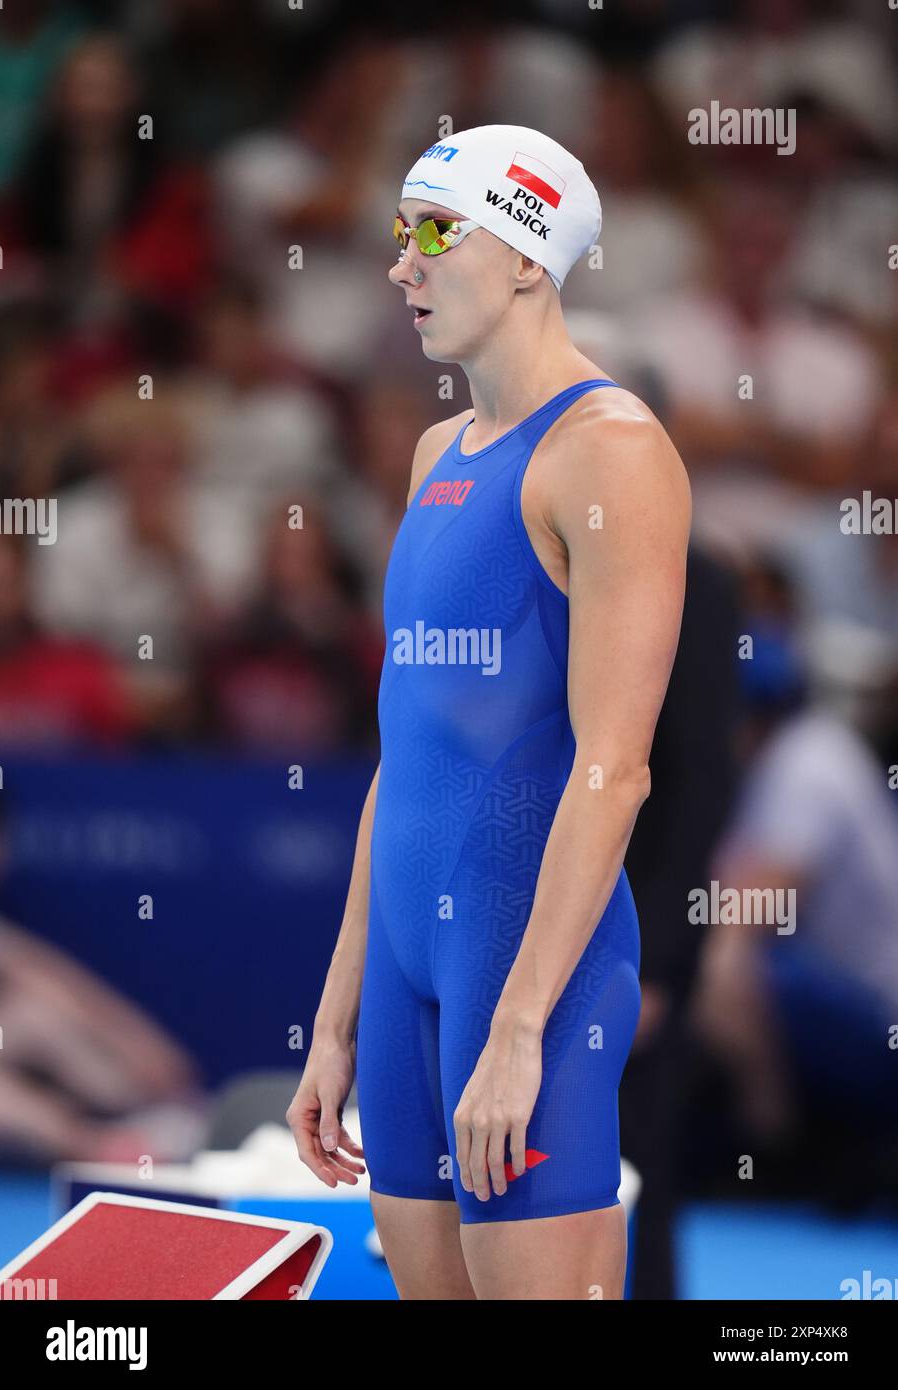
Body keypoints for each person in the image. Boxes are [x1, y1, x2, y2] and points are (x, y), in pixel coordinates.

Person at [287, 125, 691, 1300]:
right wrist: (336, 1013)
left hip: (531, 976)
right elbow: (402, 759)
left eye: (431, 231)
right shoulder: (435, 454)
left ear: (526, 256)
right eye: (395, 234)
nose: (400, 265)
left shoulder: (608, 452)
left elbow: (616, 770)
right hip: (409, 965)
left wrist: (519, 1026)